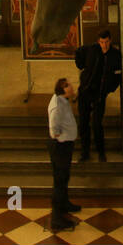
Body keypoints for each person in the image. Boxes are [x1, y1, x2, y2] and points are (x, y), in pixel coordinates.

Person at [74, 29, 122, 162]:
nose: (104, 45)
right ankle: (85, 152)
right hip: (85, 92)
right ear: (98, 41)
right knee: (83, 123)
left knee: (97, 124)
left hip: (99, 95)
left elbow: (118, 75)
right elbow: (78, 52)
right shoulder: (91, 49)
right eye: (102, 42)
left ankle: (101, 151)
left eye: (106, 42)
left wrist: (109, 89)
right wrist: (82, 66)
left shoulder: (115, 55)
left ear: (110, 40)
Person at [46, 77, 80, 232]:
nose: (71, 88)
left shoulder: (63, 101)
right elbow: (54, 127)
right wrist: (59, 135)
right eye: (68, 86)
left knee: (64, 176)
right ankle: (57, 218)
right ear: (62, 90)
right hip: (60, 146)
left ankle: (65, 204)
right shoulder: (57, 106)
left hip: (65, 144)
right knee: (59, 180)